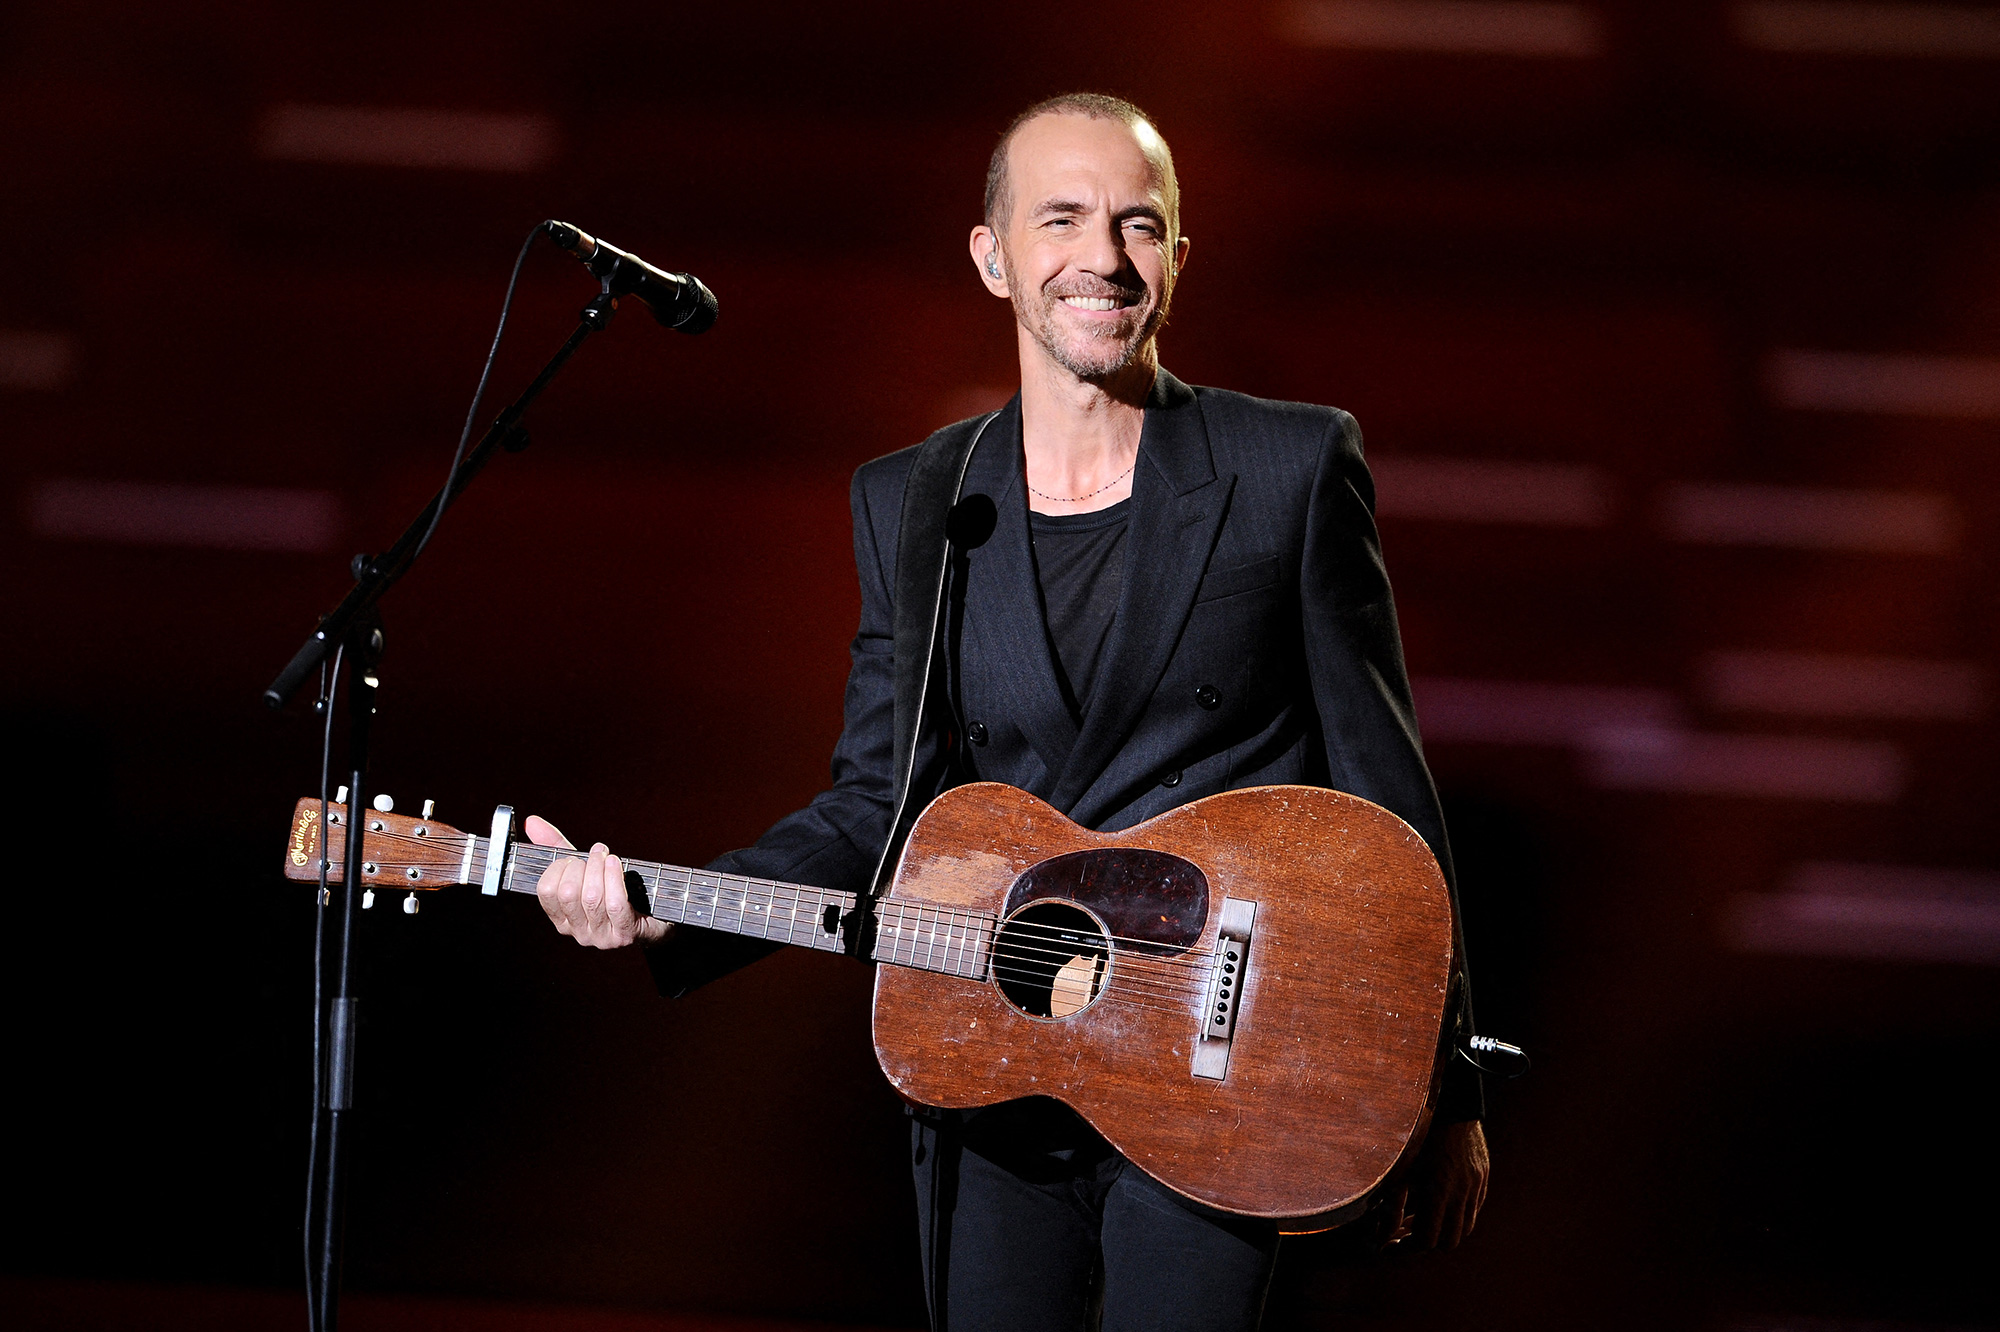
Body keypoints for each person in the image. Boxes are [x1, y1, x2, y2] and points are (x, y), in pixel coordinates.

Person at [525, 93, 1490, 1332]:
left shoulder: (1288, 467)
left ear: (1177, 258)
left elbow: (1385, 788)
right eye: (1062, 219)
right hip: (999, 1062)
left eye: (1137, 225)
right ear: (992, 256)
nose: (1101, 257)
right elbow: (877, 801)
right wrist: (671, 914)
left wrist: (1444, 1082)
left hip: (1221, 1072)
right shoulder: (916, 502)